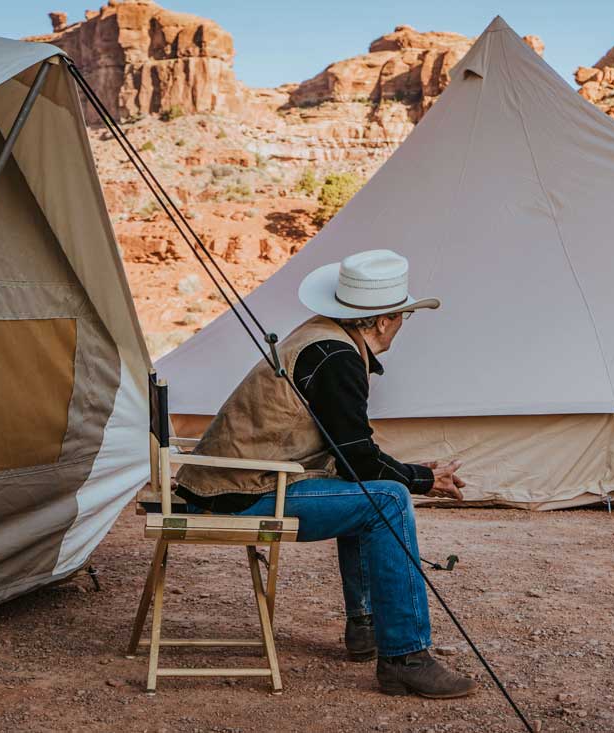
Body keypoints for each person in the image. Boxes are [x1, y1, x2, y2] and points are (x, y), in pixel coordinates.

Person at [174, 249, 478, 699]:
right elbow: (358, 458)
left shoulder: (321, 339)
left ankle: (366, 626)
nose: (399, 327)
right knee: (387, 501)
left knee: (375, 491)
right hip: (240, 494)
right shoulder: (336, 357)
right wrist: (420, 479)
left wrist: (410, 471)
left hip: (226, 484)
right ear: (380, 321)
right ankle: (404, 656)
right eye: (401, 318)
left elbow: (349, 451)